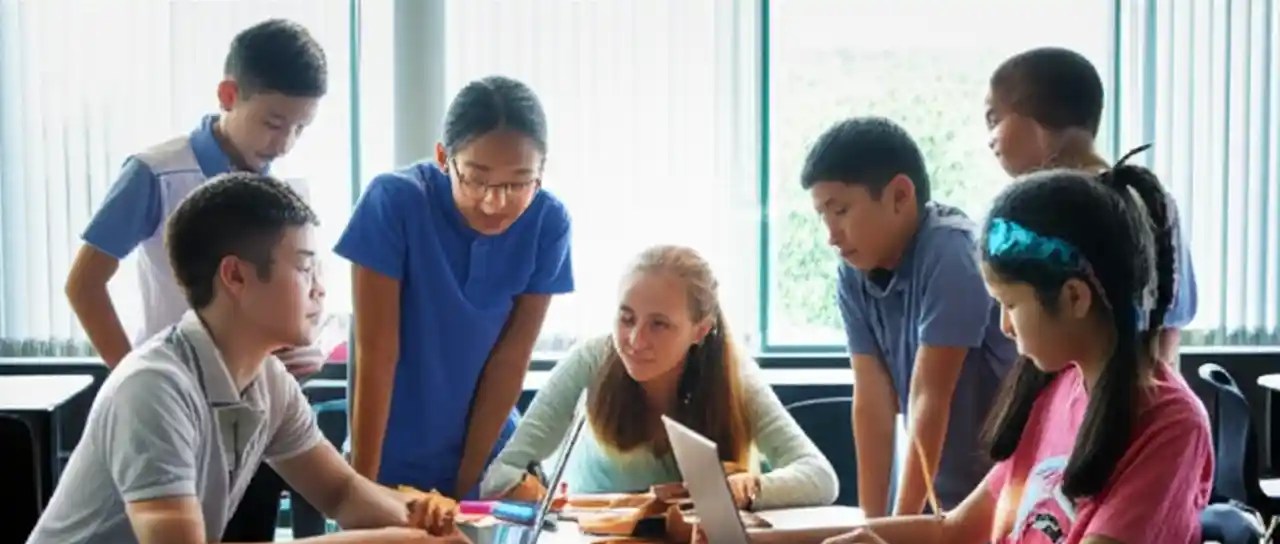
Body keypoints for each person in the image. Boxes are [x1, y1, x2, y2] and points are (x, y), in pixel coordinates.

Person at [729, 153, 1212, 544]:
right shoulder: (1059, 392)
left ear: (1076, 298)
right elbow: (953, 533)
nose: (1004, 327)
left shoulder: (1170, 421)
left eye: (1010, 305)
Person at [0, 174, 482, 544]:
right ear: (235, 276)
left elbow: (342, 491)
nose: (321, 288)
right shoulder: (156, 385)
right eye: (304, 267)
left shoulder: (265, 380)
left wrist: (431, 523)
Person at [63, 18, 332, 542]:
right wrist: (135, 380)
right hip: (173, 404)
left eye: (301, 128)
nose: (285, 143)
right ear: (229, 94)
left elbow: (306, 289)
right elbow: (83, 284)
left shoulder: (284, 191)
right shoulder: (157, 172)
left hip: (256, 407)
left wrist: (305, 345)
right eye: (275, 123)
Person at [336, 76, 573, 499]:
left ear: (542, 170)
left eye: (518, 183)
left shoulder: (549, 221)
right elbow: (377, 353)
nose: (494, 202)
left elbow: (511, 358)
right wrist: (363, 491)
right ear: (444, 157)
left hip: (487, 446)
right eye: (477, 179)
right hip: (390, 450)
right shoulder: (394, 202)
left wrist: (471, 481)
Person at [482, 245, 838, 509]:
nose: (636, 340)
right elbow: (498, 478)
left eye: (659, 324)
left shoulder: (733, 374)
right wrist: (550, 506)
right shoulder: (593, 358)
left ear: (700, 330)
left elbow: (821, 478)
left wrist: (746, 488)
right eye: (626, 318)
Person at [803, 117, 1017, 518]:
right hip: (938, 487)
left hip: (999, 493)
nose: (831, 234)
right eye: (822, 216)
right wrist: (872, 525)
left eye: (841, 210)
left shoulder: (952, 251)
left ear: (900, 196)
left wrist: (900, 528)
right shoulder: (852, 270)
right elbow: (872, 399)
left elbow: (929, 395)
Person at [985, 46, 1198, 362]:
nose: (989, 138)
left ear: (1036, 118)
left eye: (994, 119)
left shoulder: (1086, 206)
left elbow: (1165, 323)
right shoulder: (1146, 195)